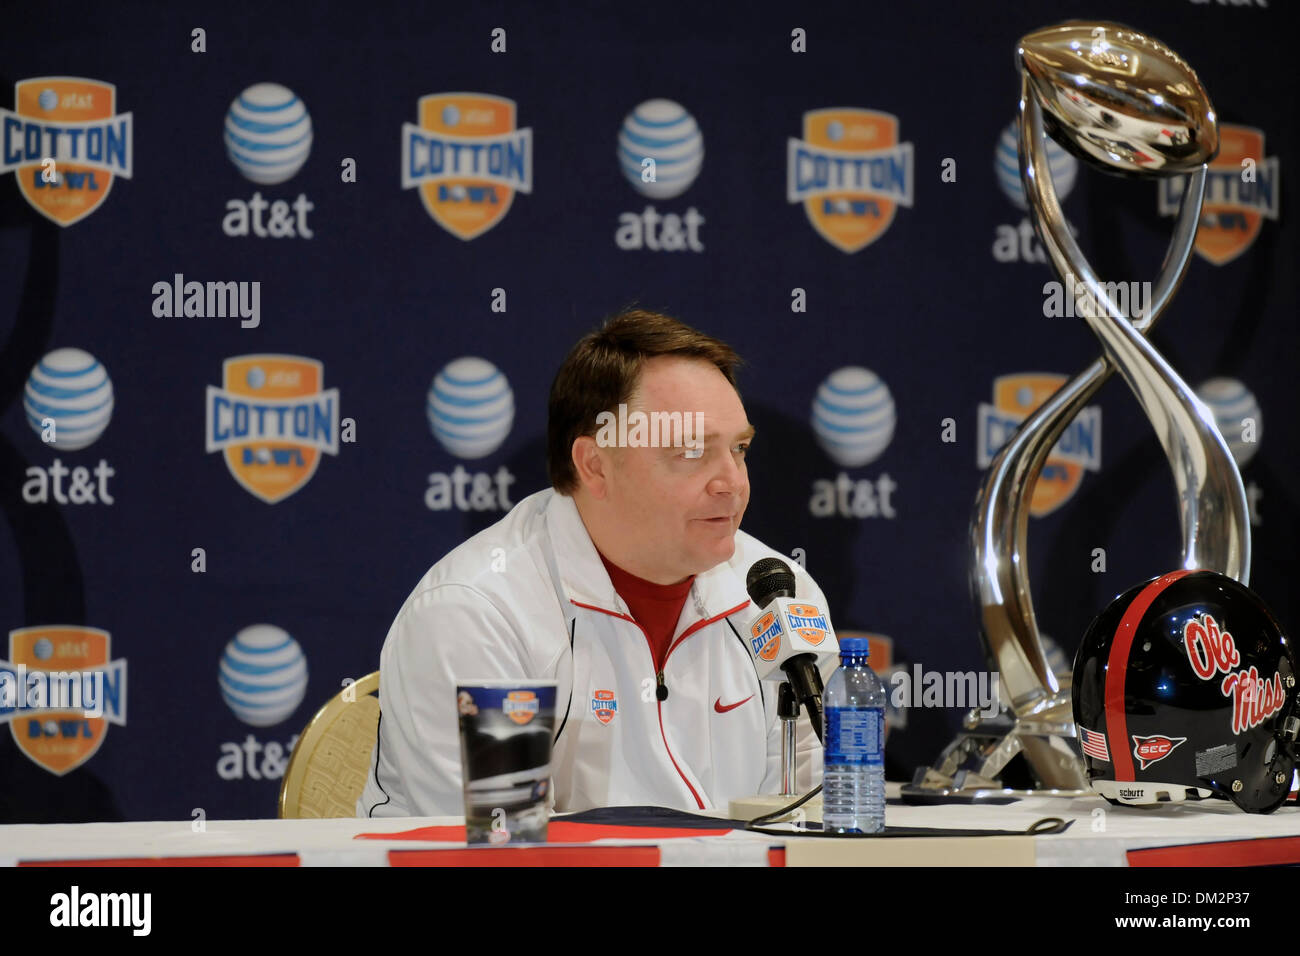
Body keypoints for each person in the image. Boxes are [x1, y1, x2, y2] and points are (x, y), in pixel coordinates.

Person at [358, 308, 835, 817]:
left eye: (739, 449)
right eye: (691, 452)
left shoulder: (780, 594)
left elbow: (813, 812)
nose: (732, 483)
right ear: (595, 465)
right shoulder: (476, 615)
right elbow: (502, 847)